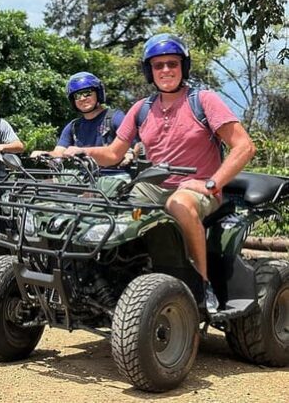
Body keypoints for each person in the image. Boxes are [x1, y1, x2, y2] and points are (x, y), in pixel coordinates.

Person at [63, 33, 256, 313]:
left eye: (172, 64)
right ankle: (109, 278)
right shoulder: (142, 109)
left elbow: (244, 147)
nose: (166, 70)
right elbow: (115, 153)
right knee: (107, 201)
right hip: (152, 185)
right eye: (158, 65)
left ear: (183, 67)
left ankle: (201, 286)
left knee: (178, 202)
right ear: (149, 71)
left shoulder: (203, 100)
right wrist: (81, 152)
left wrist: (212, 183)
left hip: (197, 189)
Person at [32, 72, 132, 188]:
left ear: (98, 93)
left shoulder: (116, 117)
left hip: (114, 177)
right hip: (81, 179)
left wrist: (130, 154)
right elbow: (59, 154)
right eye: (77, 96)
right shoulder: (73, 126)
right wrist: (45, 155)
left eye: (87, 93)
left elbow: (134, 148)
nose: (83, 98)